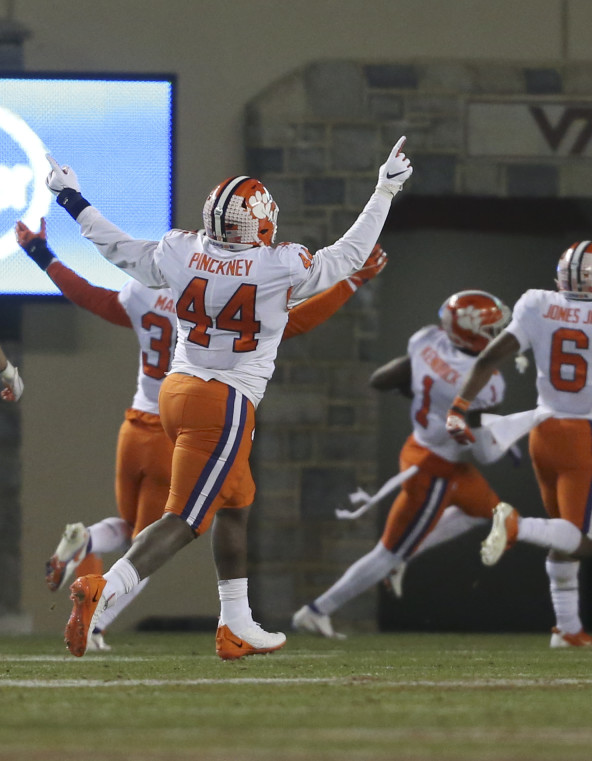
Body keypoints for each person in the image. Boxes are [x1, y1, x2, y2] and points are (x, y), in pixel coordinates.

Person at [50, 135, 413, 659]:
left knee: (237, 505)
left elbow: (118, 248)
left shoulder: (181, 250)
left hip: (175, 391)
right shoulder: (281, 264)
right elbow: (350, 254)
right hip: (224, 403)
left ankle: (236, 623)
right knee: (185, 519)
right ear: (259, 224)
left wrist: (71, 198)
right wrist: (384, 190)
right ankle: (105, 589)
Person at [446, 241, 592, 648]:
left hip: (543, 433)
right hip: (584, 435)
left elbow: (487, 359)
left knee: (562, 537)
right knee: (585, 540)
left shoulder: (538, 305)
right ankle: (515, 525)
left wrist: (458, 408)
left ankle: (568, 629)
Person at [292, 290, 514, 638]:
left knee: (489, 512)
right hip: (434, 469)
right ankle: (317, 611)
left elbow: (382, 379)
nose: (502, 336)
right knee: (388, 552)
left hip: (427, 450)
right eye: (494, 330)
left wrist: (426, 394)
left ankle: (406, 555)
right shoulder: (488, 383)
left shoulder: (426, 339)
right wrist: (506, 438)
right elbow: (485, 450)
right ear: (472, 334)